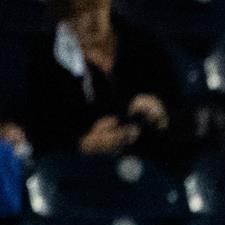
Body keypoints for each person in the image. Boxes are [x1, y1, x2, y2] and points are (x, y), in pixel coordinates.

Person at [17, 0, 189, 167]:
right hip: (81, 174)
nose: (93, 19)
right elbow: (39, 137)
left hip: (149, 165)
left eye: (97, 5)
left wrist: (161, 115)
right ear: (65, 13)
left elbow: (183, 116)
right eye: (81, 9)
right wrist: (84, 145)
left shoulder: (142, 44)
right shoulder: (45, 59)